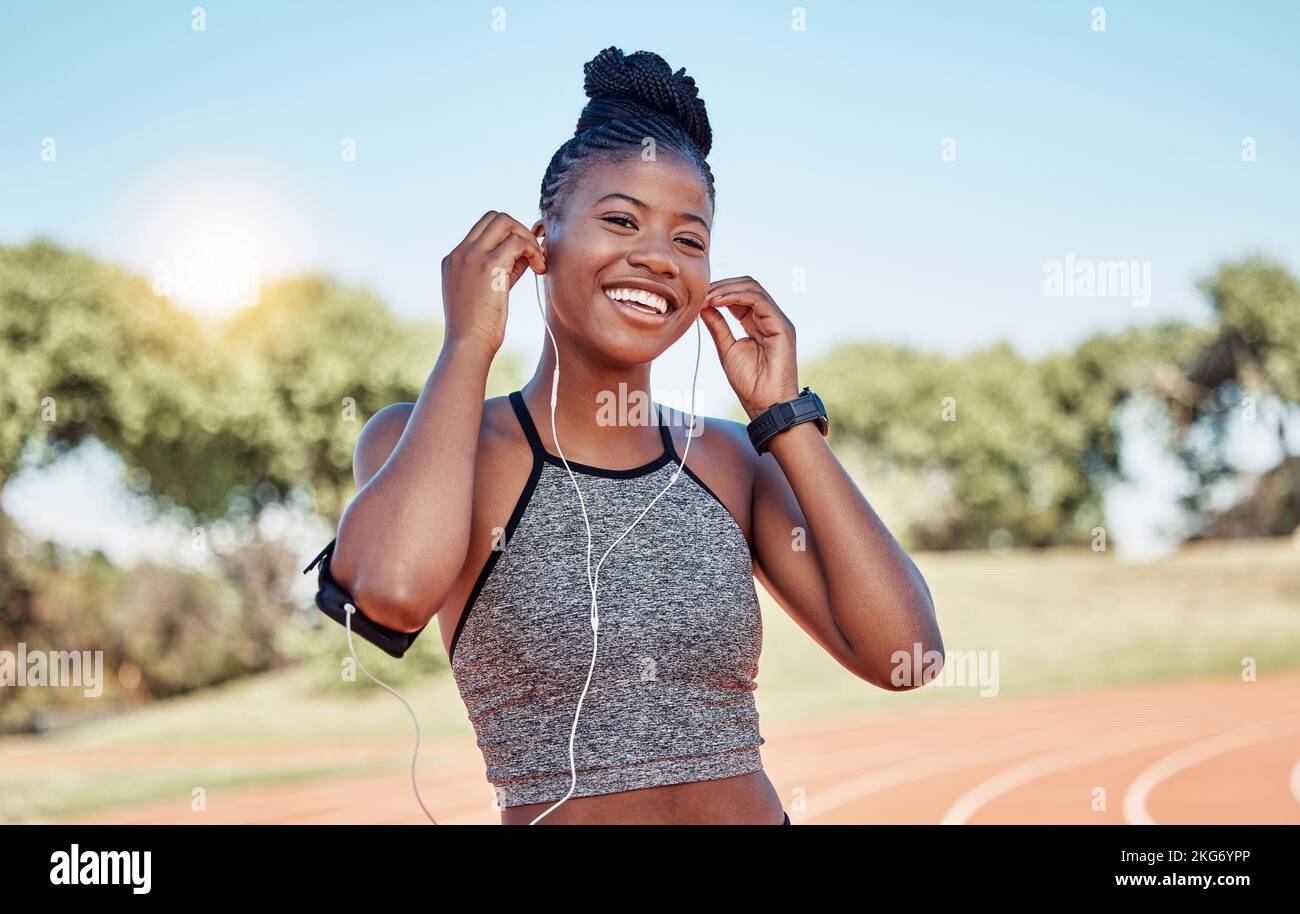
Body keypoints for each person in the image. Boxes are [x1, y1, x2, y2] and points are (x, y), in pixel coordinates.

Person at [326, 46, 942, 825]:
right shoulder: (437, 444)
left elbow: (905, 656)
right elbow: (389, 592)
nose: (656, 257)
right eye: (620, 220)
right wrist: (466, 346)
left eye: (690, 239)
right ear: (540, 237)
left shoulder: (733, 459)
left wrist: (785, 419)